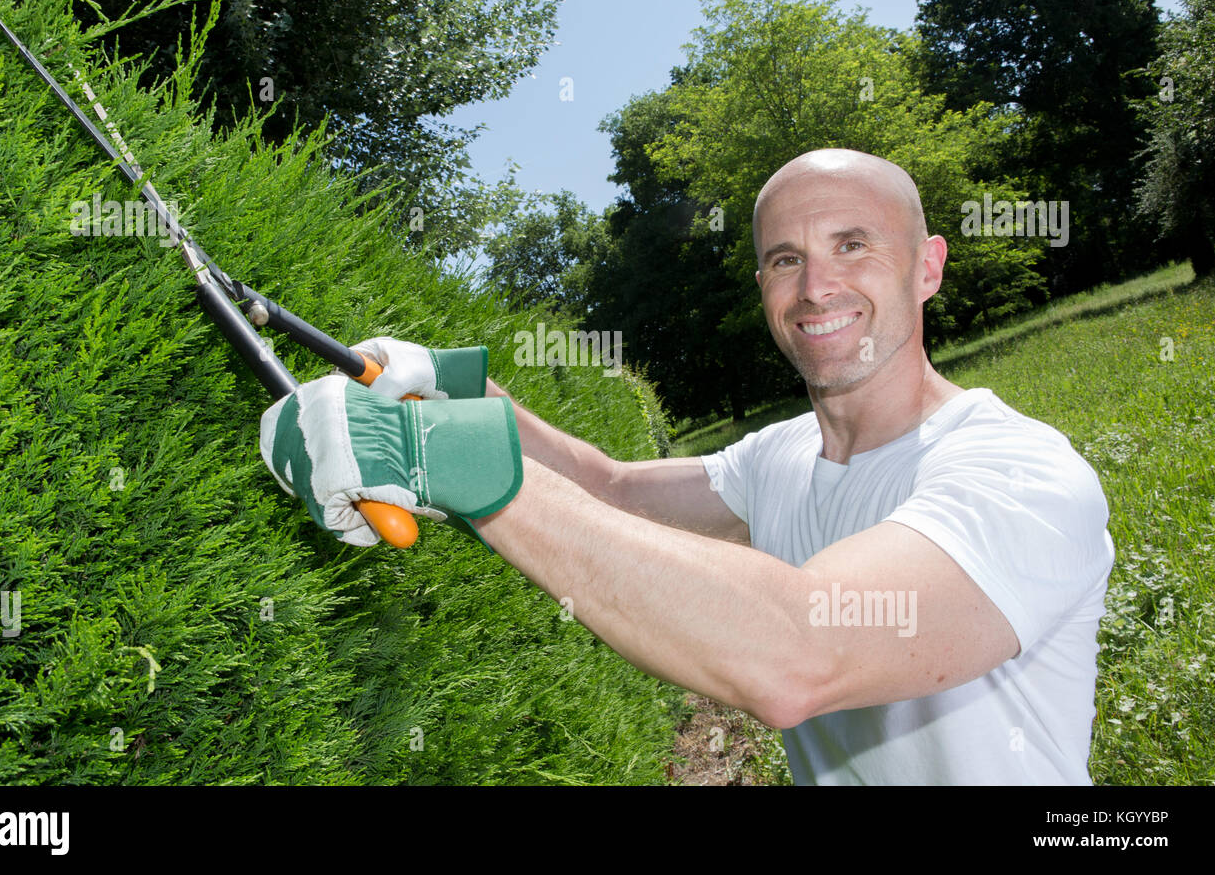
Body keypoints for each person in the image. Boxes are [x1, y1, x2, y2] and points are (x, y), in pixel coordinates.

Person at [259, 148, 1115, 785]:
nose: (816, 286)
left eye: (854, 245)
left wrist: (445, 461)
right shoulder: (780, 456)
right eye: (787, 259)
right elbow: (613, 490)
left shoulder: (1020, 472)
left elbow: (800, 653)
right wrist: (461, 391)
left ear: (928, 266)